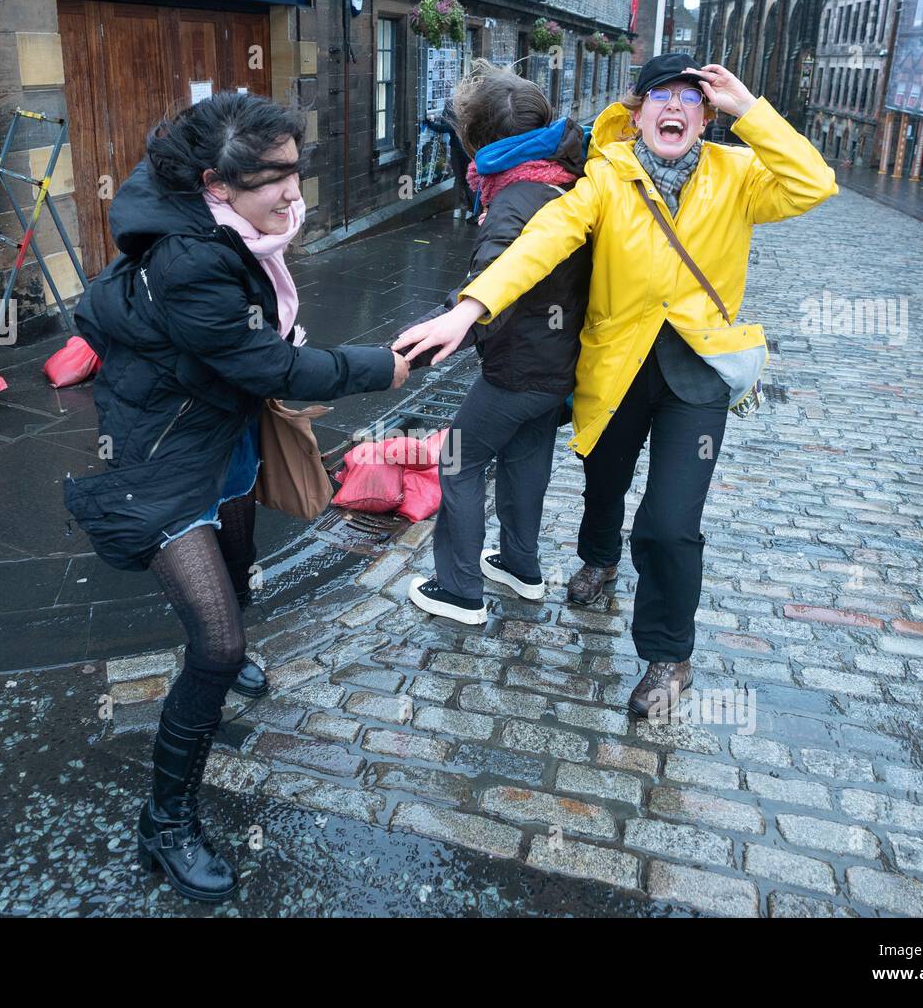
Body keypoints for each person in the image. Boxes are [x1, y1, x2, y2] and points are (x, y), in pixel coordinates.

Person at [394, 54, 837, 716]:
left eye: (692, 98)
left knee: (669, 525)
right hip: (619, 368)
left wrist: (752, 110)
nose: (676, 108)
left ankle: (668, 659)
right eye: (662, 95)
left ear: (707, 116)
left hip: (696, 375)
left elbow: (814, 183)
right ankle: (598, 561)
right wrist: (471, 306)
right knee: (604, 483)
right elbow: (542, 237)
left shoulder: (738, 174)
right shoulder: (606, 177)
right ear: (637, 111)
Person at [65, 93, 409, 902]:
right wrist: (384, 364)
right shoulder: (191, 261)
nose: (295, 194)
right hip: (163, 459)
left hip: (222, 436)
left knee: (241, 558)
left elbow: (255, 353)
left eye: (298, 171)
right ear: (218, 184)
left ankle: (232, 657)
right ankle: (166, 821)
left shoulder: (231, 230)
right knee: (213, 646)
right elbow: (275, 367)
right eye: (276, 182)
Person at [405, 59, 592, 626]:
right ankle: (520, 567)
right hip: (559, 365)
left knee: (457, 460)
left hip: (517, 368)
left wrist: (435, 330)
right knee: (526, 456)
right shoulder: (567, 181)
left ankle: (459, 591)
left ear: (478, 140)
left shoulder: (513, 198)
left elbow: (492, 285)